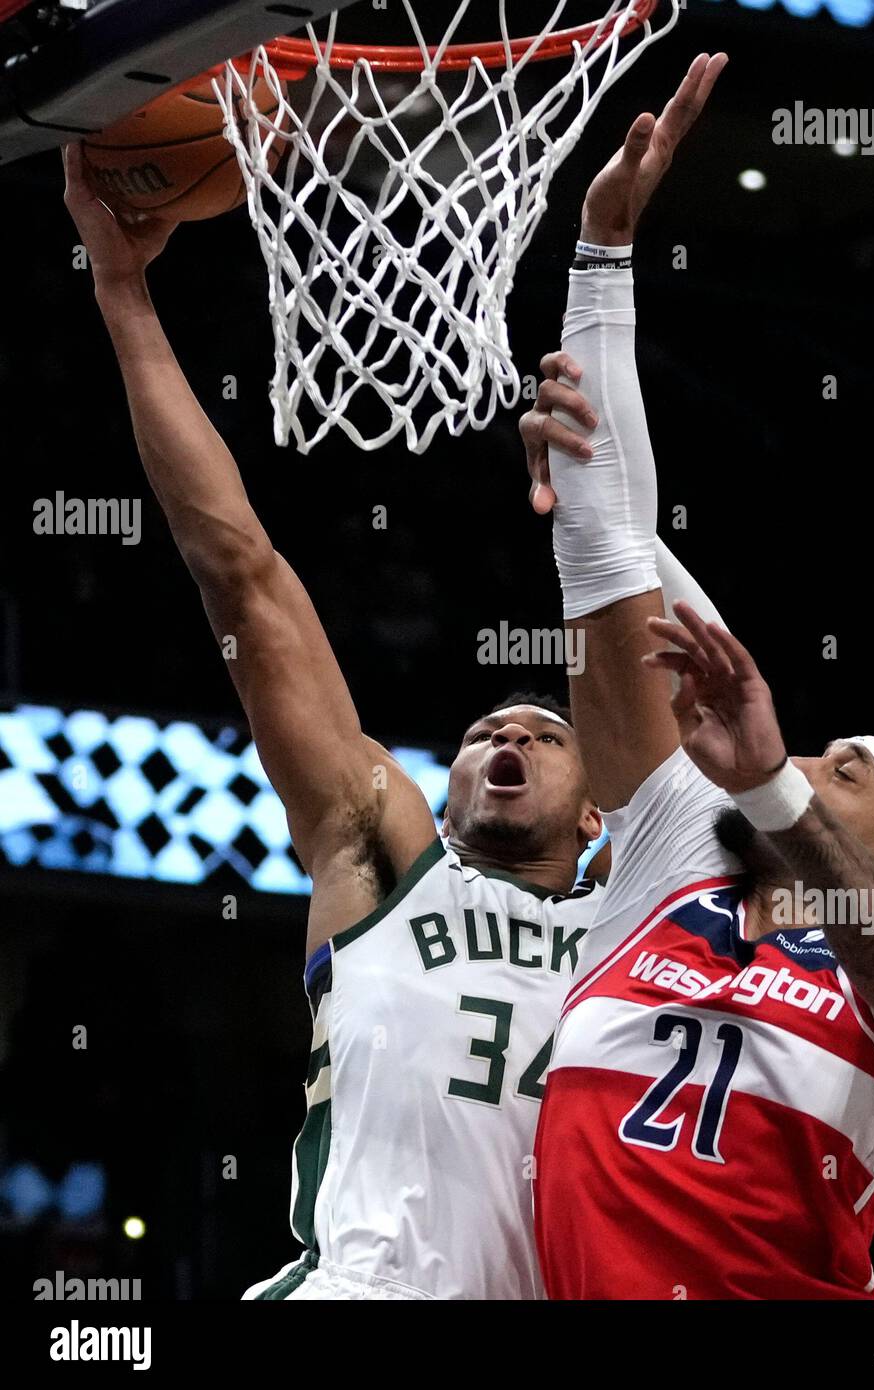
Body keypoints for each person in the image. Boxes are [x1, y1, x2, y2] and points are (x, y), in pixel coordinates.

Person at [62, 140, 606, 1301]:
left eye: (541, 736)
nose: (500, 742)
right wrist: (123, 296)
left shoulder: (631, 925)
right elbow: (242, 576)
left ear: (599, 808)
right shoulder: (382, 847)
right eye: (478, 737)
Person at [518, 51, 874, 1298]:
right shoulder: (681, 851)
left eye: (840, 772)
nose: (797, 765)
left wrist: (781, 805)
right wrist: (601, 256)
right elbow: (612, 543)